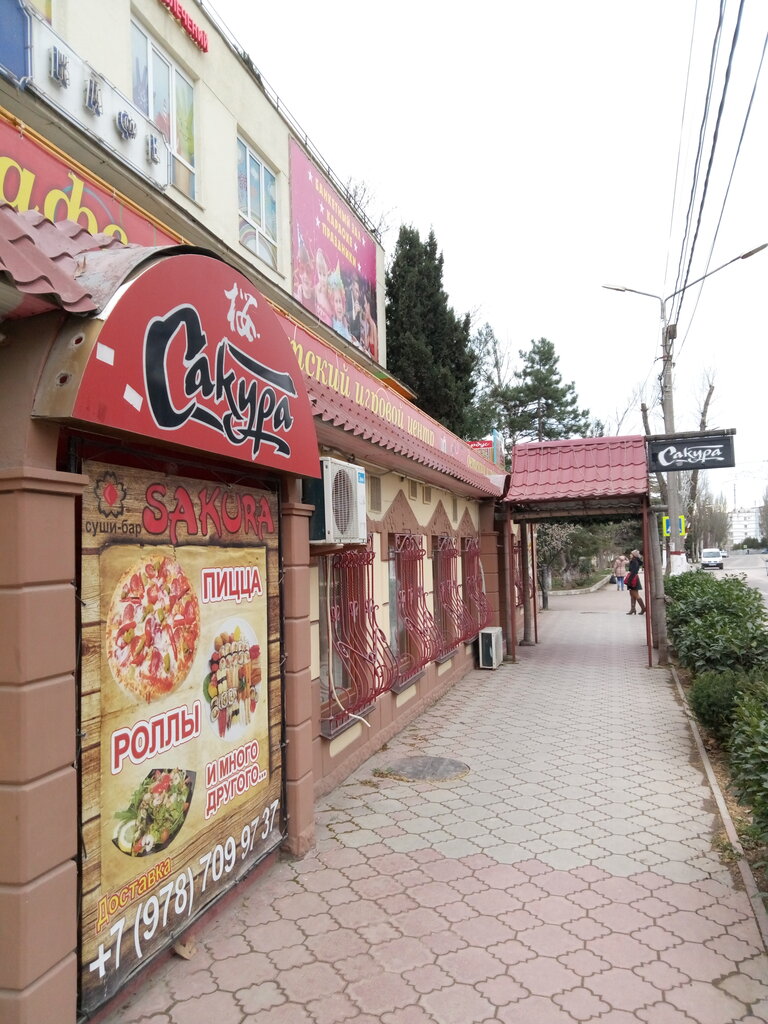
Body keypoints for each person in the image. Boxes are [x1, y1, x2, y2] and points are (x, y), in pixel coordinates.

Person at [626, 549, 645, 615]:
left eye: (631, 554)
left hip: (633, 578)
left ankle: (643, 608)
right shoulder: (636, 560)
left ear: (634, 555)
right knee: (632, 594)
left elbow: (633, 572)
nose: (630, 555)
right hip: (634, 578)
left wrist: (629, 581)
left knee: (635, 594)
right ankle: (633, 609)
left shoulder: (634, 561)